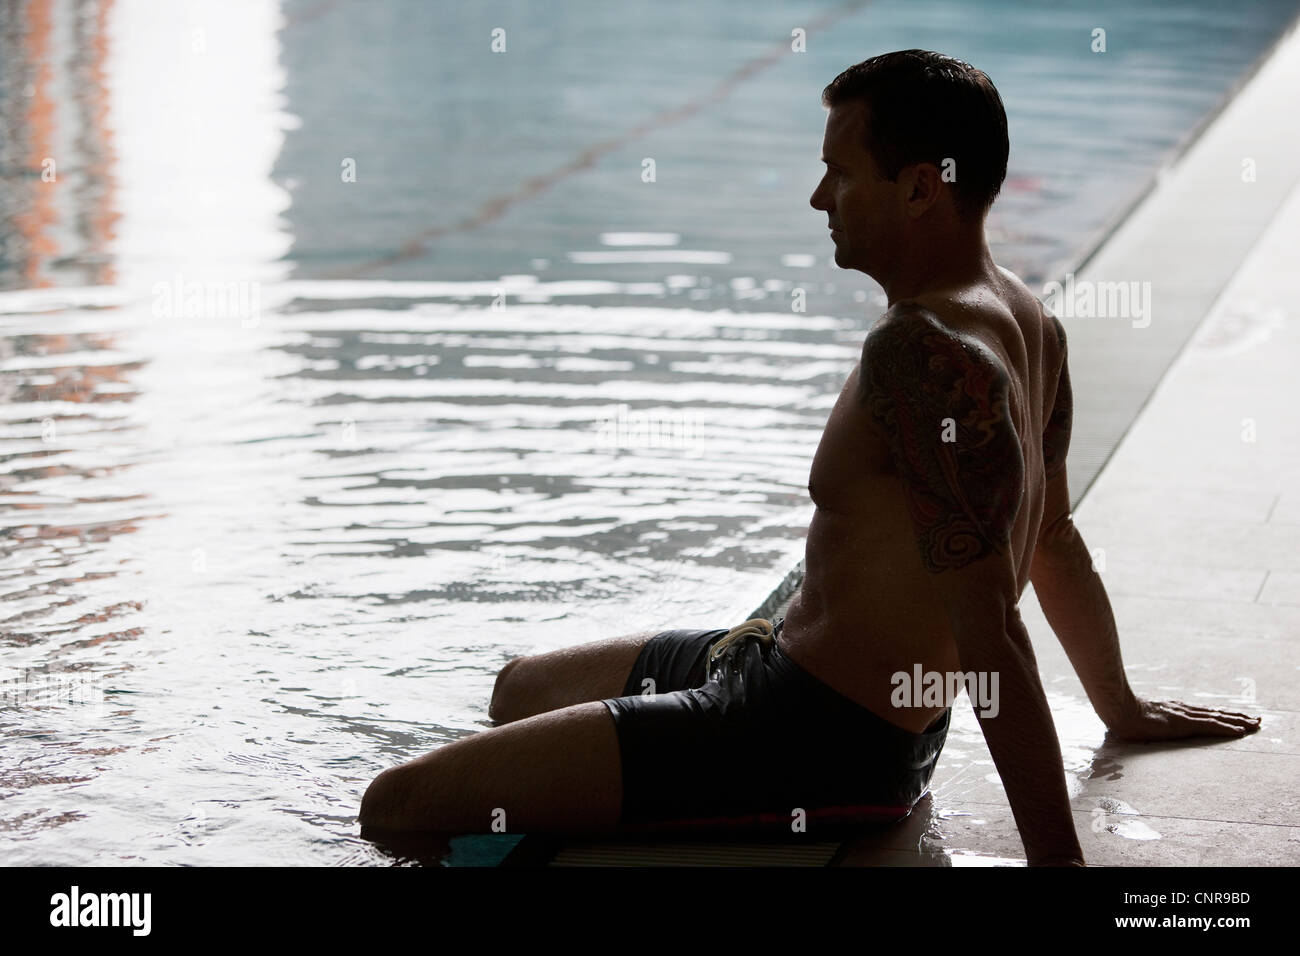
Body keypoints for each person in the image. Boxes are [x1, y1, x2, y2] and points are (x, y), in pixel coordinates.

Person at [359, 50, 1261, 865]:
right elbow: (1051, 536)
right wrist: (1118, 705)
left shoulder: (923, 353)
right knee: (516, 689)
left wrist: (1057, 864)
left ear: (919, 188)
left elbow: (992, 633)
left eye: (839, 172)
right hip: (769, 664)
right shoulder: (1032, 319)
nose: (819, 198)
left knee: (394, 806)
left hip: (807, 737)